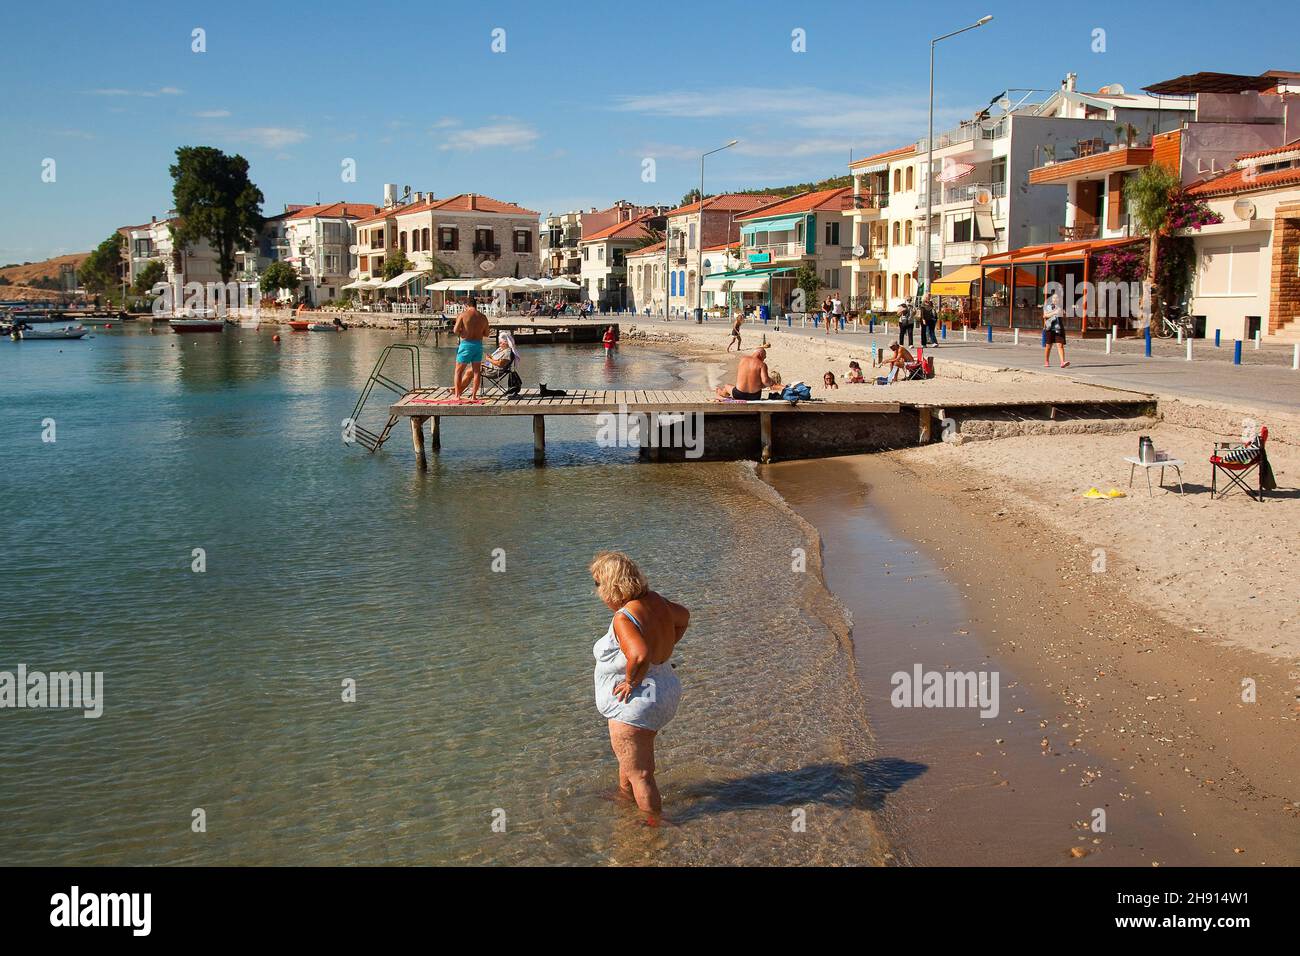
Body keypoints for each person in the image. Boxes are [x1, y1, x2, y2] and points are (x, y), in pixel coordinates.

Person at [589, 551, 689, 822]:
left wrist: (631, 681)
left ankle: (652, 831)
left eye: (598, 583)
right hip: (663, 692)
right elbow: (684, 617)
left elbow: (640, 655)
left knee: (641, 774)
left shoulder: (624, 618)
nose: (597, 590)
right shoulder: (656, 600)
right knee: (633, 757)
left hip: (638, 705)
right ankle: (624, 797)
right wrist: (665, 647)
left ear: (611, 585)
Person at [452, 299, 491, 401]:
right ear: (476, 305)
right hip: (478, 345)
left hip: (466, 344)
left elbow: (455, 330)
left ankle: (457, 395)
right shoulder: (483, 317)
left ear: (466, 305)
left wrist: (463, 332)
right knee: (476, 372)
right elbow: (487, 333)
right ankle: (474, 396)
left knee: (458, 371)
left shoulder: (463, 315)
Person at [1043, 289, 1069, 368]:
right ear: (1051, 298)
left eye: (1057, 298)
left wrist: (1064, 313)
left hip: (1058, 328)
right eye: (1054, 298)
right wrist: (1054, 312)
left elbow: (1063, 316)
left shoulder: (1060, 307)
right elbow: (1045, 316)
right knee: (1048, 346)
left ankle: (1062, 362)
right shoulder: (1047, 306)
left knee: (1060, 345)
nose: (1055, 299)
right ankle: (1046, 361)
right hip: (1050, 328)